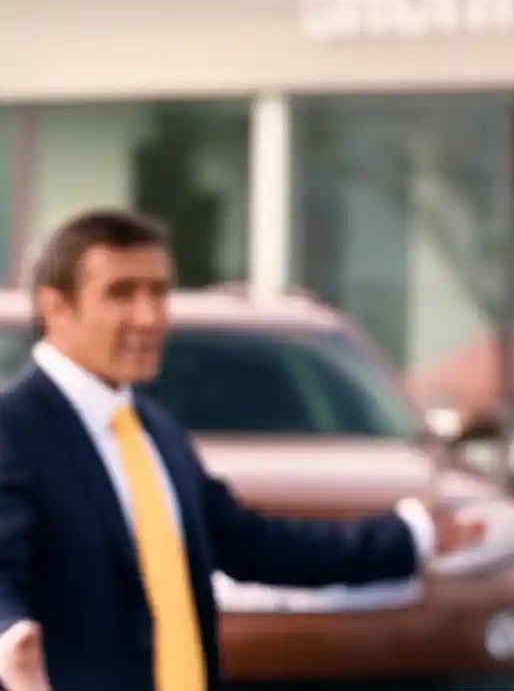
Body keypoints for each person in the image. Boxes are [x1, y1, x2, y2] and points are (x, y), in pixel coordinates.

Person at [0, 209, 485, 691]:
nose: (149, 317)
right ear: (55, 307)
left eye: (158, 292)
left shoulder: (153, 429)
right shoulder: (13, 429)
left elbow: (249, 543)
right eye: (121, 294)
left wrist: (408, 535)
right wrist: (9, 639)